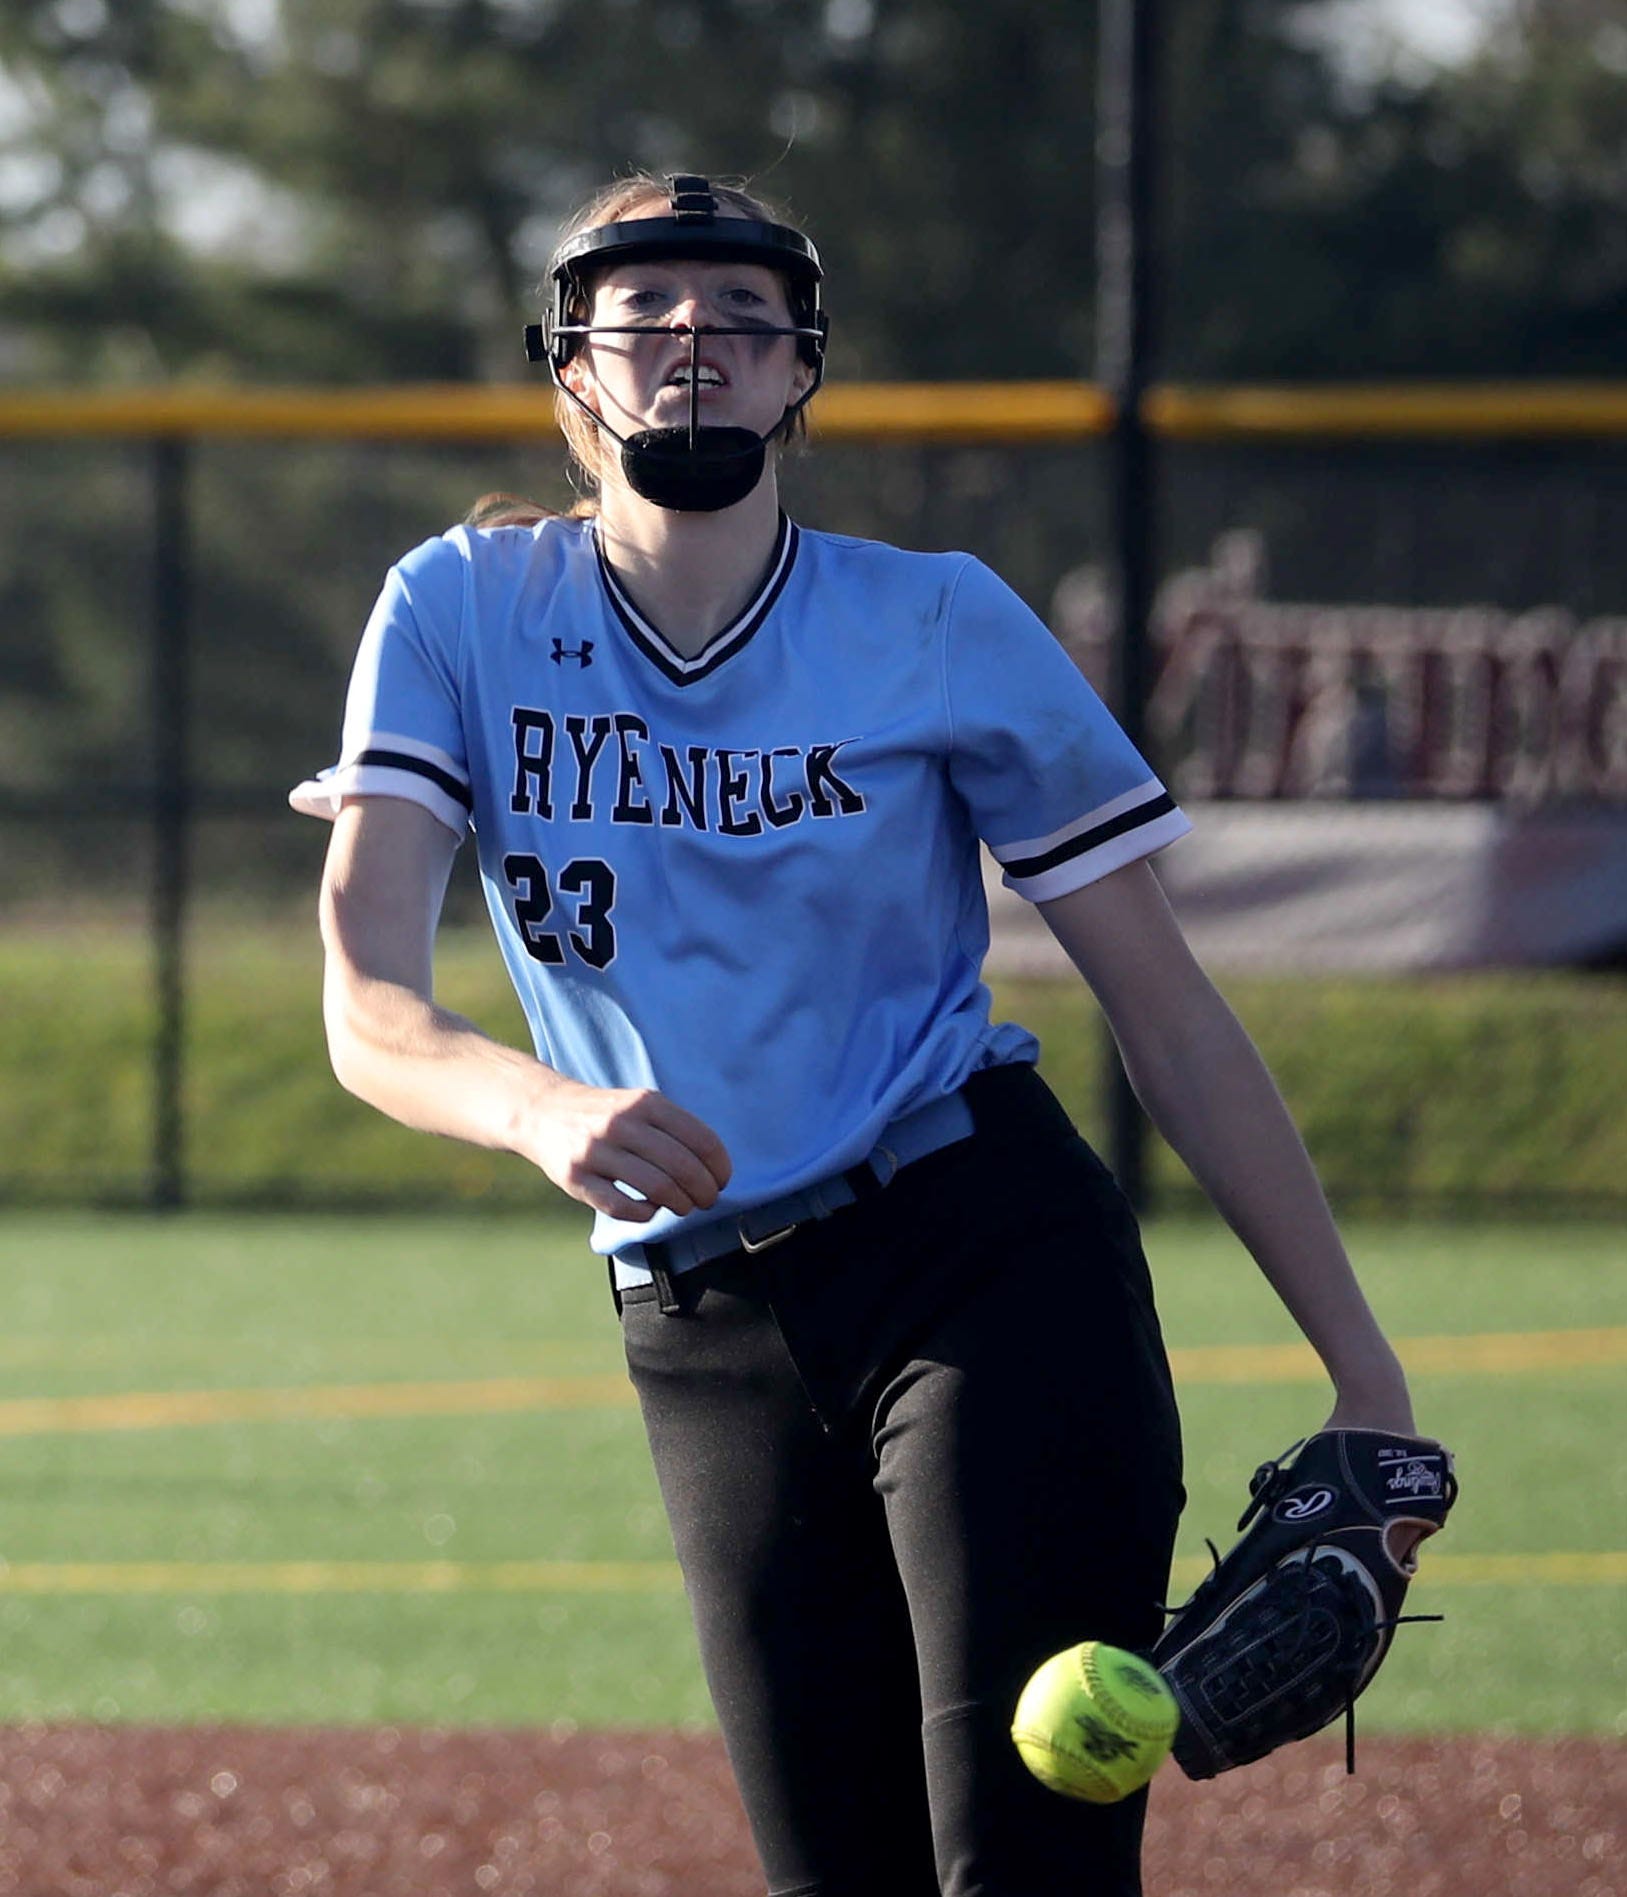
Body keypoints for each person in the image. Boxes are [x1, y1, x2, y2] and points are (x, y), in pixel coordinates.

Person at [292, 171, 1422, 1897]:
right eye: (646, 307)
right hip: (701, 1319)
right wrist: (534, 1107)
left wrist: (1367, 1372)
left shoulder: (936, 618)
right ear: (570, 366)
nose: (694, 341)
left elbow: (1170, 1015)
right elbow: (368, 1004)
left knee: (1023, 1868)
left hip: (979, 1262)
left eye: (742, 314)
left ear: (799, 371)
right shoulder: (460, 611)